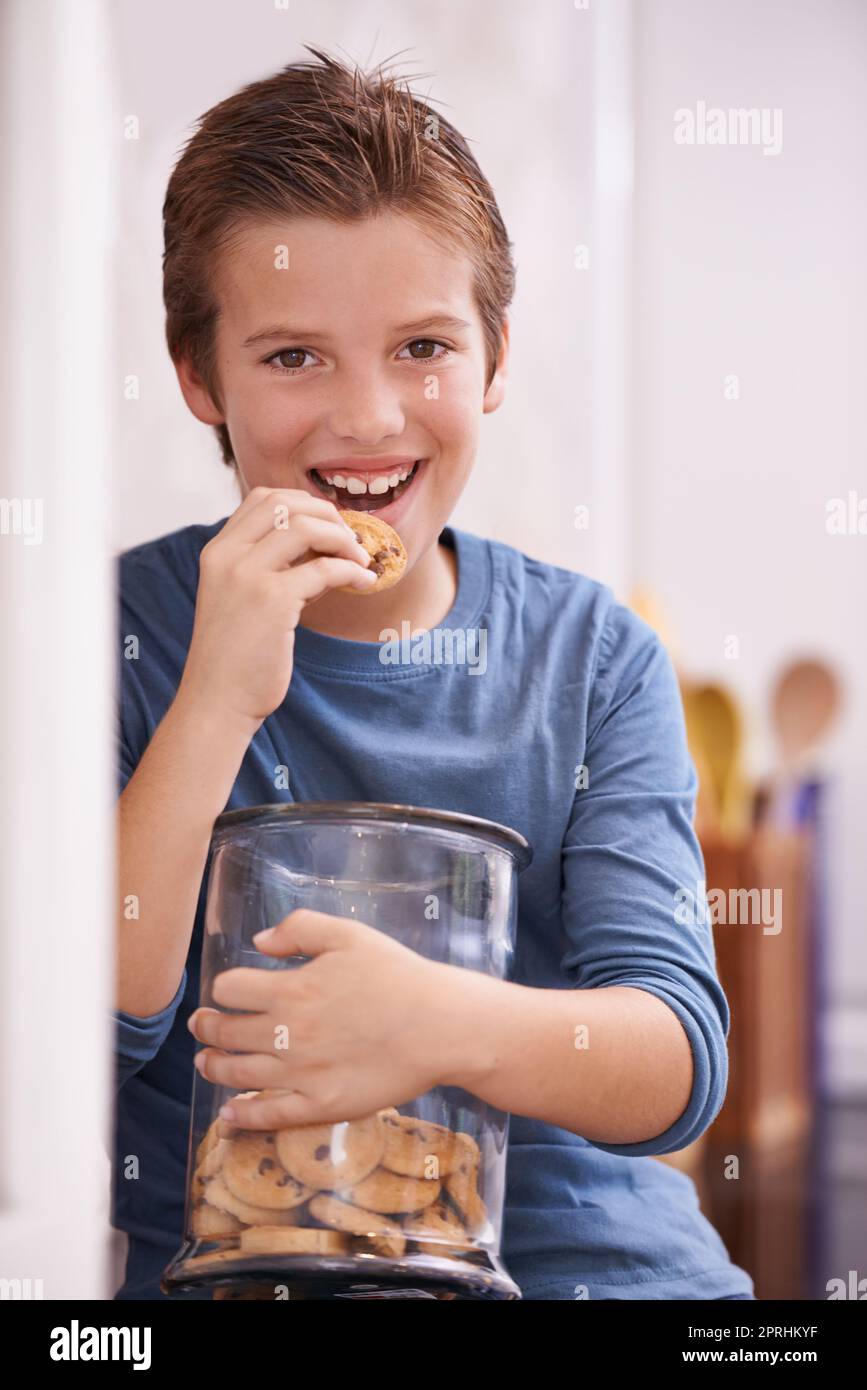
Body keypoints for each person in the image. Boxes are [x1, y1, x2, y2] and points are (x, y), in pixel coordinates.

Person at [114, 46, 755, 1301]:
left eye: (422, 345)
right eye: (293, 356)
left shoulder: (592, 658)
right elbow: (81, 1035)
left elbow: (677, 1061)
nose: (369, 417)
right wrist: (217, 699)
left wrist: (431, 1022)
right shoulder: (116, 638)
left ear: (495, 358)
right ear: (198, 374)